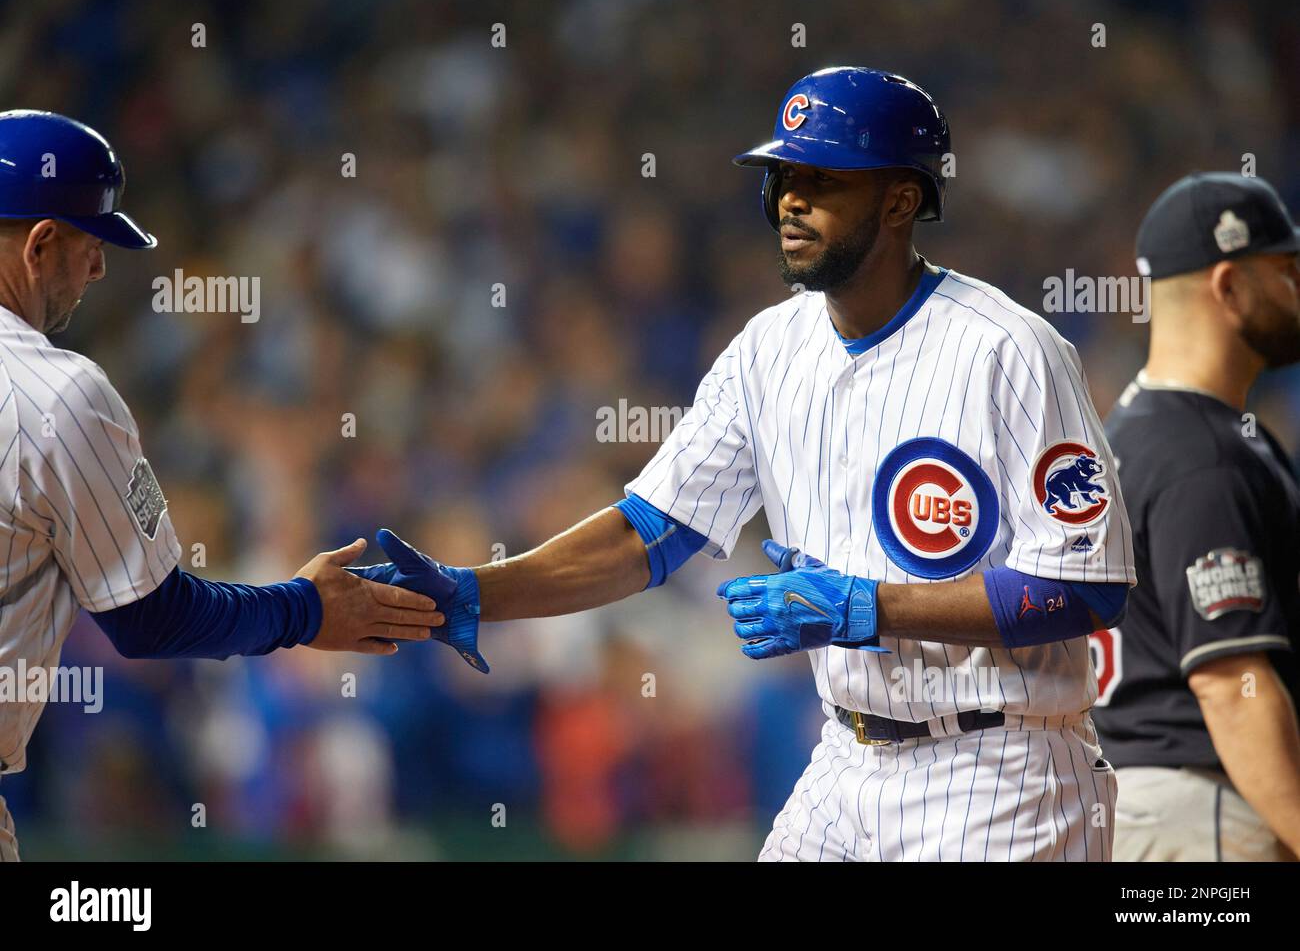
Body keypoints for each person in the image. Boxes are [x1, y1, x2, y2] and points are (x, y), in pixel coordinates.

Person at [365, 67, 1135, 861]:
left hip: (1003, 769)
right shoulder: (768, 349)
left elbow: (1085, 587)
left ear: (902, 200)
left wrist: (870, 607)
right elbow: (647, 536)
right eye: (782, 177)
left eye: (822, 178)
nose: (791, 200)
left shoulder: (1010, 351)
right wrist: (476, 591)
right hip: (845, 761)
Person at [0, 110, 442, 861]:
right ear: (42, 243)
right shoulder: (54, 392)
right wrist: (304, 609)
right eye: (90, 243)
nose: (100, 268)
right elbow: (152, 619)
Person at [1091, 172, 1300, 861]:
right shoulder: (1200, 456)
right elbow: (1229, 685)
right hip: (1202, 808)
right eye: (1286, 271)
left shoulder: (1130, 430)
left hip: (1149, 803)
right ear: (1229, 287)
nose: (1298, 288)